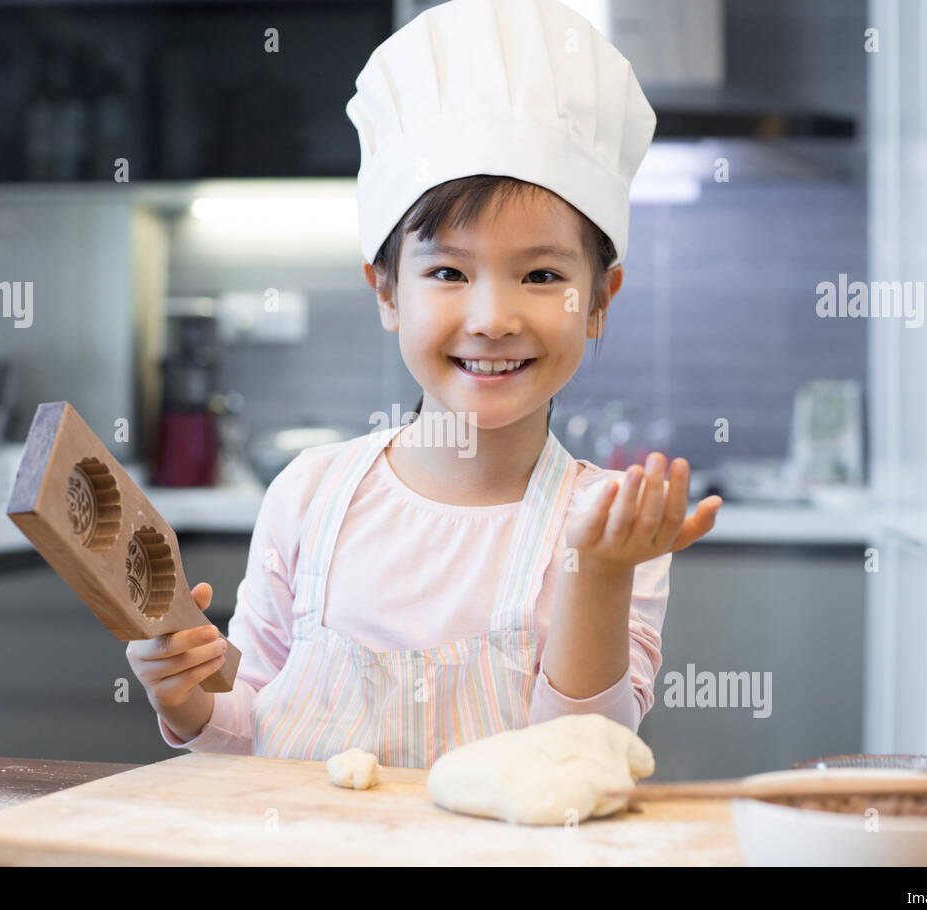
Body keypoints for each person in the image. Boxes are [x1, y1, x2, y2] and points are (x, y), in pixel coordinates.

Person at [127, 0, 722, 768]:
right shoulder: (308, 496)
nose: (492, 317)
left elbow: (584, 759)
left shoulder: (605, 528)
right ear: (386, 291)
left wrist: (597, 572)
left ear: (599, 300)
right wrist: (188, 694)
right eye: (447, 272)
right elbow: (252, 723)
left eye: (541, 274)